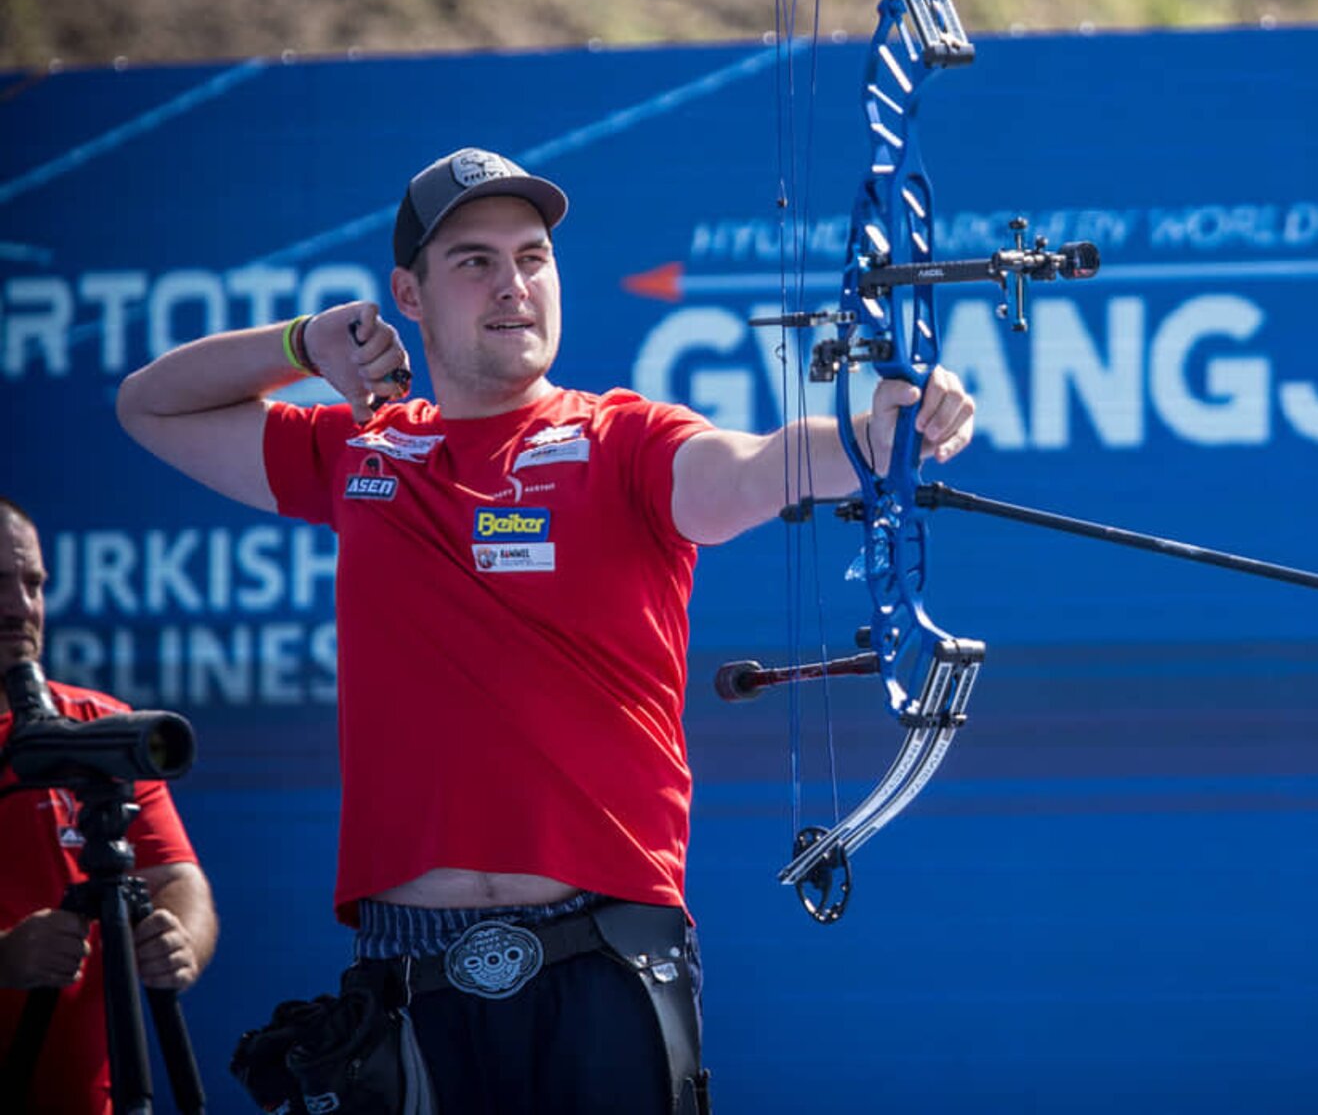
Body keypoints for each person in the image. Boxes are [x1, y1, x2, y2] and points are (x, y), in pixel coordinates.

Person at [115, 147, 975, 1113]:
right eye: (474, 261)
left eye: (533, 257)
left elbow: (753, 467)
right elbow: (149, 404)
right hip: (409, 963)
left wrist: (872, 439)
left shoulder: (626, 439)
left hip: (603, 953)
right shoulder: (359, 450)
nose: (512, 284)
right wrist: (305, 346)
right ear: (409, 293)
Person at [0, 497, 219, 1115]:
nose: (21, 608)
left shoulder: (100, 727)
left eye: (33, 583)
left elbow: (177, 878)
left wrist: (180, 939)